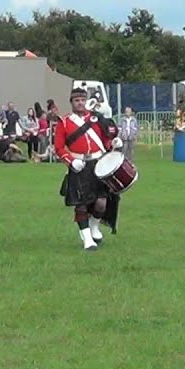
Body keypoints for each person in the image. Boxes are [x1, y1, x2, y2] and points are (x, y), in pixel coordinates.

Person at [54, 83, 122, 250]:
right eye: (76, 100)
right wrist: (71, 161)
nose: (80, 103)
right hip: (79, 165)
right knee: (81, 203)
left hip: (99, 163)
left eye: (82, 100)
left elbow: (104, 140)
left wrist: (113, 143)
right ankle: (87, 240)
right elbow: (59, 147)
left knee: (101, 202)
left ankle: (94, 226)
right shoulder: (64, 122)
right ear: (71, 102)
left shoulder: (96, 119)